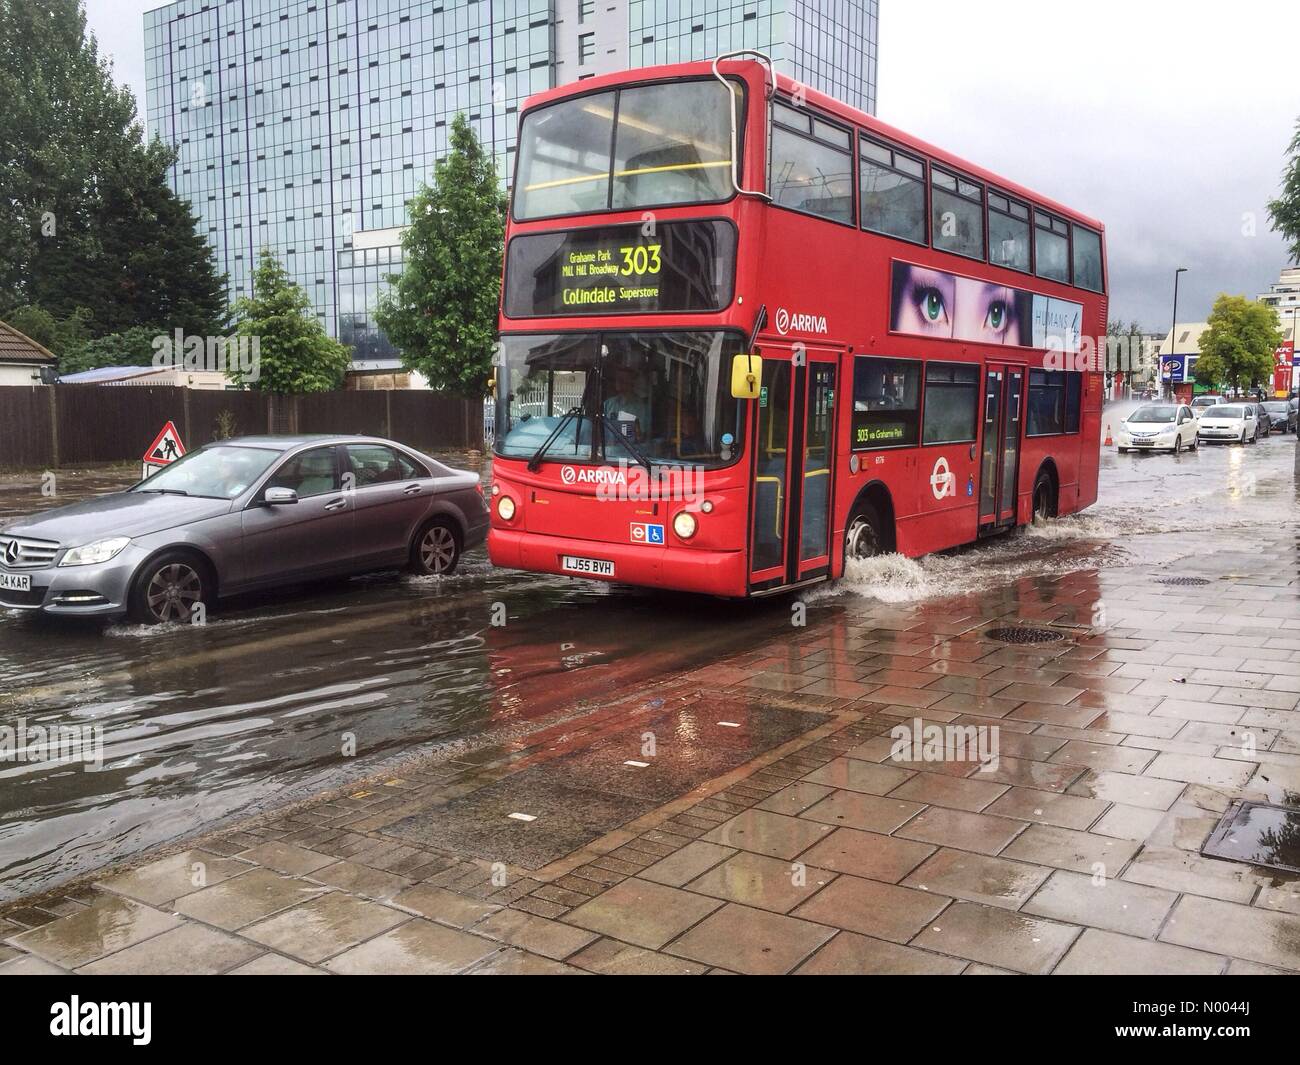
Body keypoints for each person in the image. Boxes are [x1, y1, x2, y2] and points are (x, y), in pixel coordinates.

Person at [603, 365, 653, 442]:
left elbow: (641, 437)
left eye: (622, 379)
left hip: (630, 451)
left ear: (632, 382)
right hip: (608, 451)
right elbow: (602, 430)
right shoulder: (608, 404)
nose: (618, 382)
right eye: (617, 379)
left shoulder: (642, 408)